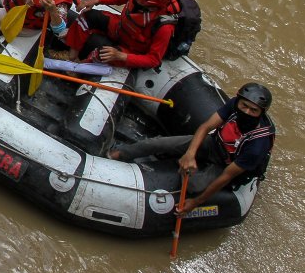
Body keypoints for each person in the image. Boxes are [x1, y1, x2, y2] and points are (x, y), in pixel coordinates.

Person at [111, 83, 276, 215]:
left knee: (193, 187)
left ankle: (186, 167)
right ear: (239, 101)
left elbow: (226, 176)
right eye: (244, 105)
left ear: (261, 113)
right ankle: (117, 154)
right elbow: (205, 127)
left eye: (253, 110)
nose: (246, 111)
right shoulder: (234, 105)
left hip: (225, 164)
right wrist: (190, 154)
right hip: (214, 144)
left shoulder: (257, 145)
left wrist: (196, 202)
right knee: (157, 143)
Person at [65, 0, 179, 69]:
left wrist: (120, 56)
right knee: (87, 16)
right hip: (120, 29)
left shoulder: (164, 27)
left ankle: (77, 69)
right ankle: (71, 57)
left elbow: (153, 60)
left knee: (102, 55)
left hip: (132, 49)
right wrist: (95, 0)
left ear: (152, 6)